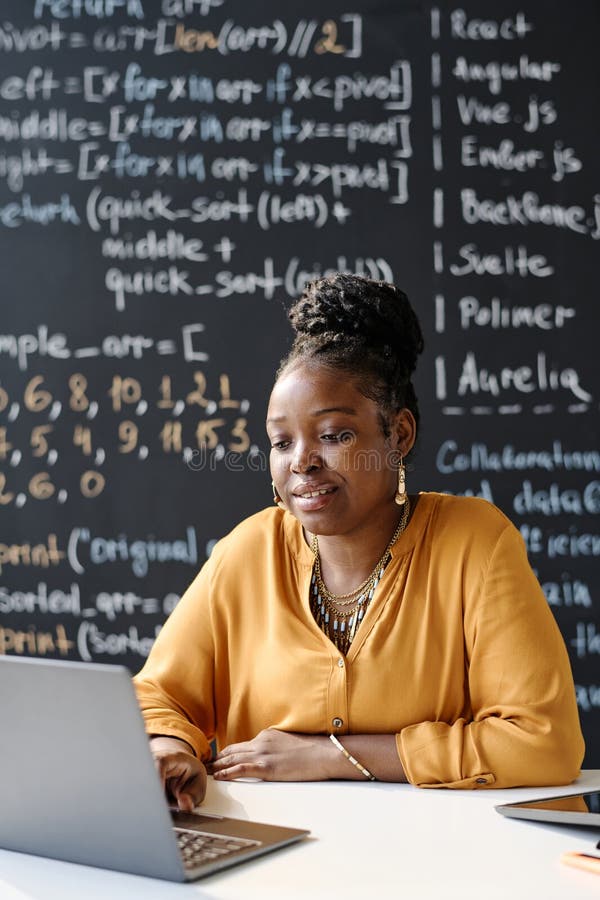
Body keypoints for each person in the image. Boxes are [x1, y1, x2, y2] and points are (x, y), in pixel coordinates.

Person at [134, 273, 584, 811]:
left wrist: (333, 755)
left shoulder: (476, 545)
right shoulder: (248, 552)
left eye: (333, 435)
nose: (301, 461)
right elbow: (155, 696)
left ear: (399, 435)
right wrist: (170, 747)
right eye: (282, 441)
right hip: (270, 867)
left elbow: (544, 742)